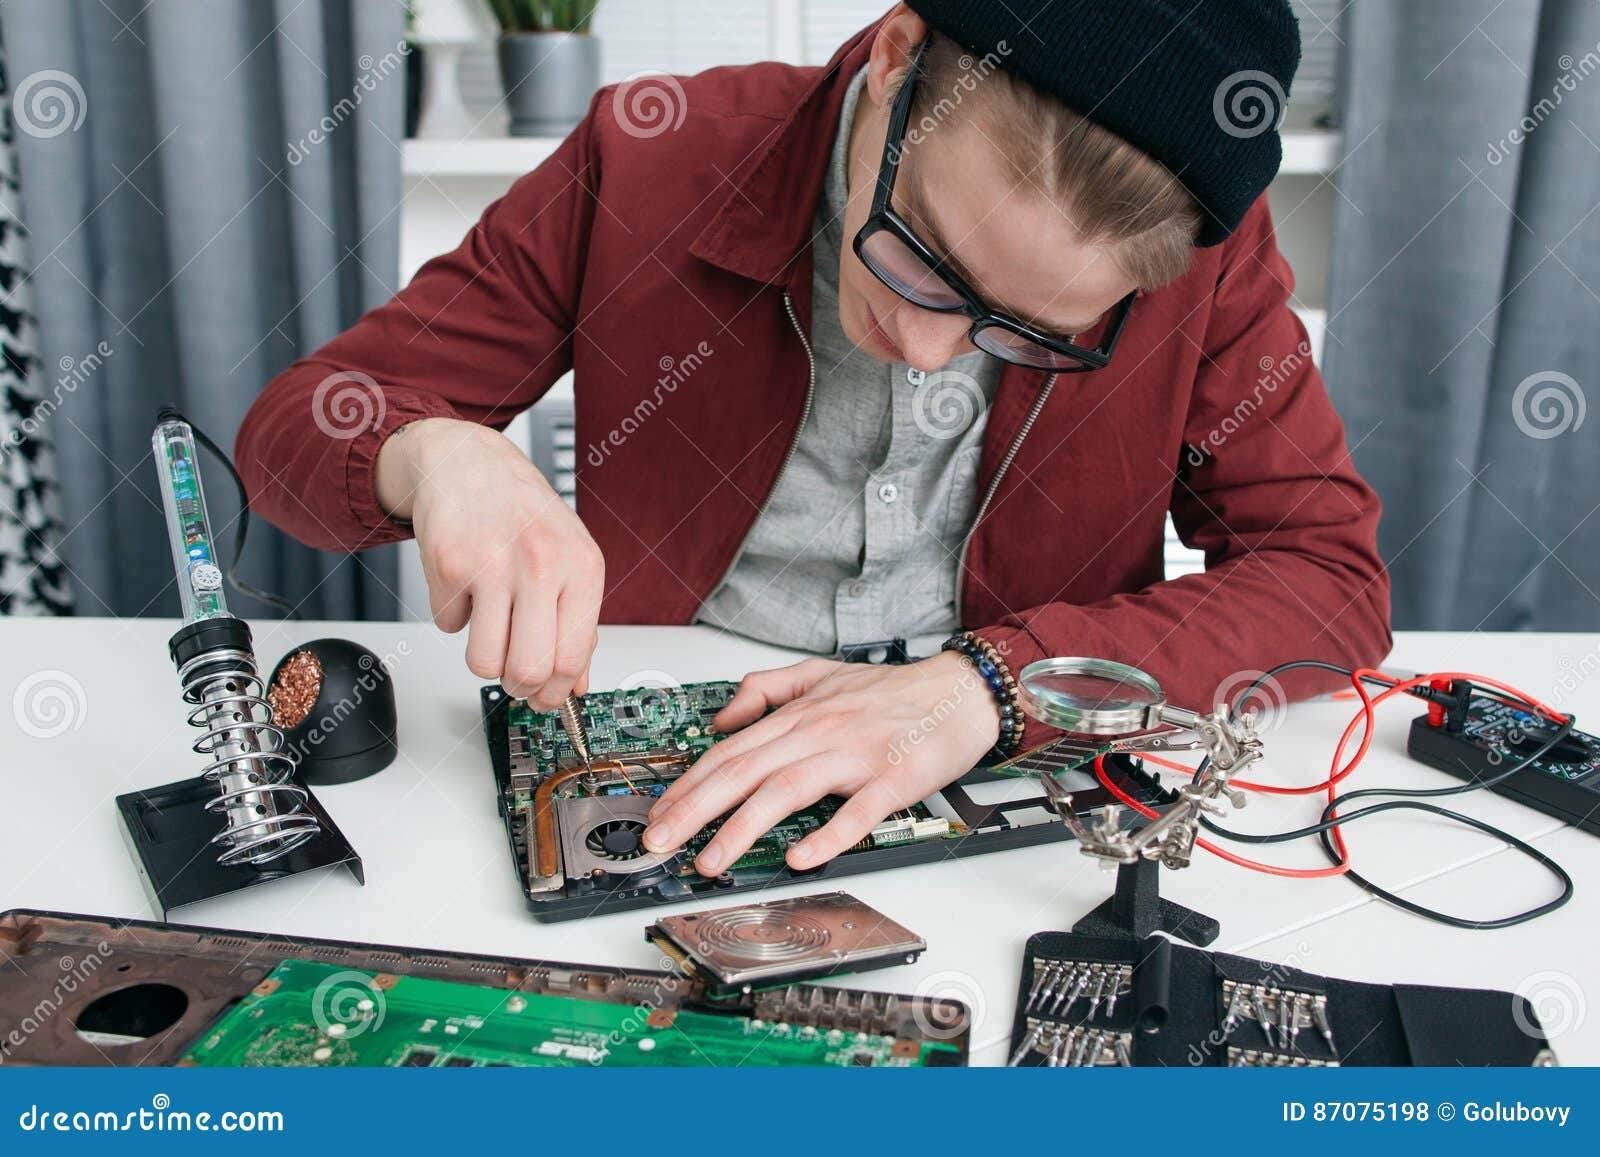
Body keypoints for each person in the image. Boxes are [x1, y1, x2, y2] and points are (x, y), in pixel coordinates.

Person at [237, 1, 1391, 877]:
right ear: (897, 58)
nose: (934, 352)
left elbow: (1329, 580)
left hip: (1020, 794)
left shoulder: (1204, 261)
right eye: (922, 258)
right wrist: (430, 452)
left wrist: (991, 685)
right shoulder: (654, 154)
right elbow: (301, 423)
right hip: (660, 745)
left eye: (1030, 332)